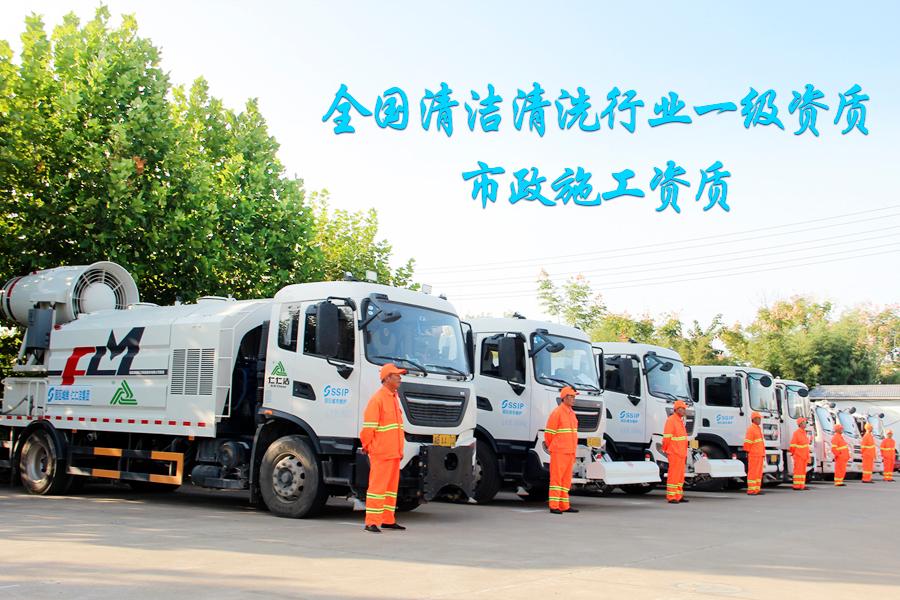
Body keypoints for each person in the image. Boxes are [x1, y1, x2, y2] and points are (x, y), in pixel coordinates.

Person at [360, 363, 407, 533]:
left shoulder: (394, 398)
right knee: (377, 488)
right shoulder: (378, 399)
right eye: (396, 375)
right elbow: (368, 429)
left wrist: (400, 450)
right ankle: (371, 522)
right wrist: (368, 446)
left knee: (390, 489)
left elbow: (396, 428)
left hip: (393, 453)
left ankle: (387, 519)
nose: (400, 378)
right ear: (387, 378)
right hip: (381, 452)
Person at [545, 386, 579, 514]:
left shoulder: (571, 413)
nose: (573, 399)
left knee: (566, 480)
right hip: (559, 451)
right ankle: (554, 506)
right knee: (556, 479)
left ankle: (564, 505)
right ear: (564, 398)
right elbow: (549, 434)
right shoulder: (557, 413)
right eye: (571, 396)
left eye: (574, 397)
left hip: (569, 451)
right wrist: (553, 448)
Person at [662, 400, 690, 504]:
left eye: (684, 409)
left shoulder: (679, 421)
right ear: (676, 409)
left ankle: (678, 495)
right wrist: (665, 449)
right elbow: (667, 437)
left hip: (681, 453)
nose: (684, 411)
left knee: (680, 476)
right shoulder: (671, 420)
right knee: (674, 475)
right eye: (682, 409)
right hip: (674, 452)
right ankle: (671, 496)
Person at [743, 412, 765, 495]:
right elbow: (747, 442)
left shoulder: (757, 429)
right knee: (753, 472)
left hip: (759, 454)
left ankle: (756, 489)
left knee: (758, 473)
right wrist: (747, 451)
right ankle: (751, 490)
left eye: (760, 418)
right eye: (758, 418)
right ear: (754, 419)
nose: (759, 420)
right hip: (754, 454)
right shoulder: (751, 429)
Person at [789, 417, 811, 490]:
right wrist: (794, 454)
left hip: (804, 456)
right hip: (799, 455)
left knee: (802, 471)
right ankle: (796, 485)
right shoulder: (796, 433)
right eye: (804, 422)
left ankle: (801, 485)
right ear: (800, 424)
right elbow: (792, 445)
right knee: (798, 471)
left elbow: (805, 445)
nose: (805, 424)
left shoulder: (804, 433)